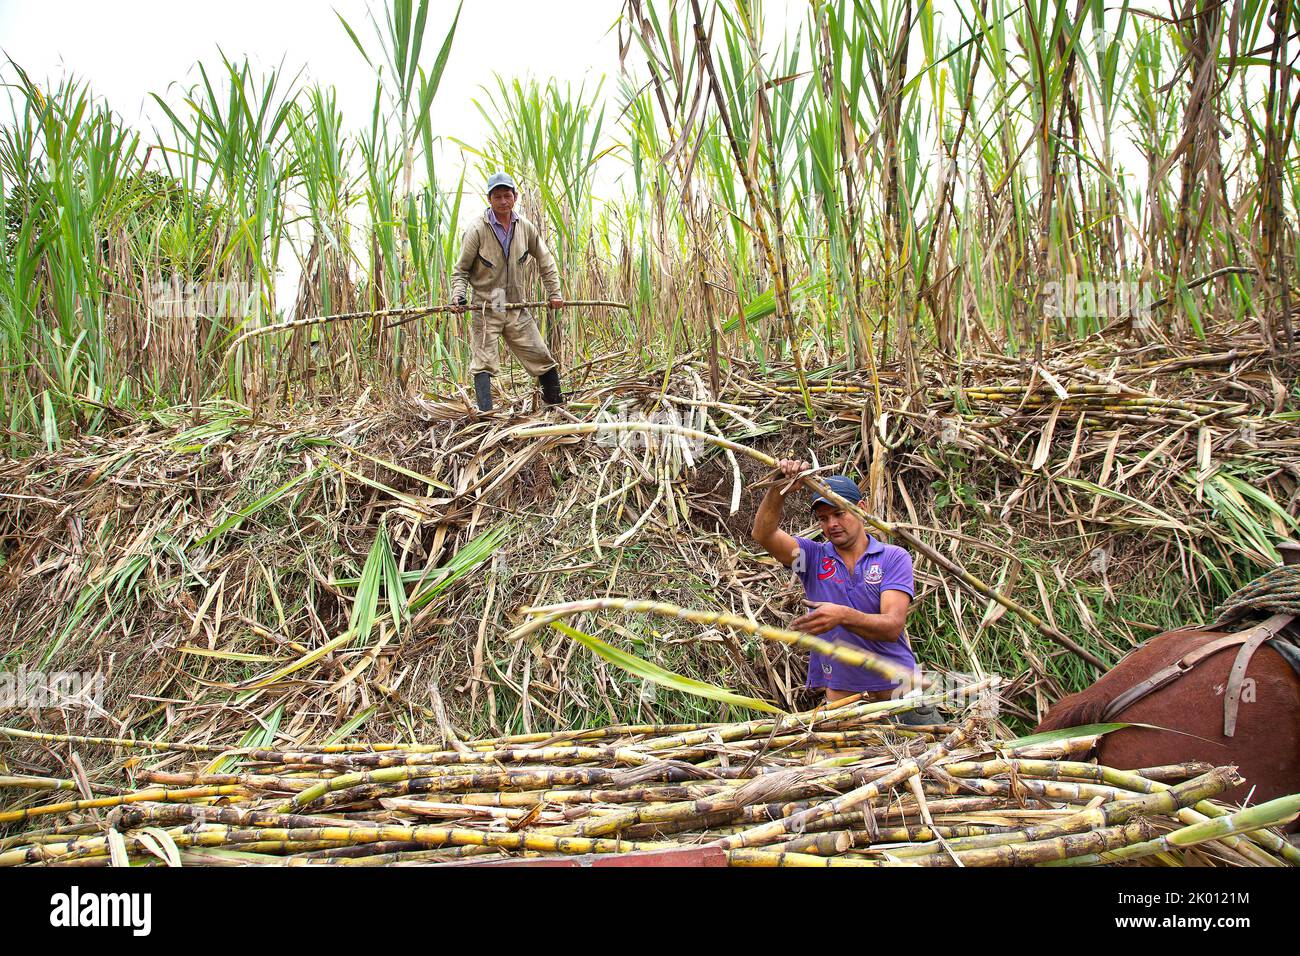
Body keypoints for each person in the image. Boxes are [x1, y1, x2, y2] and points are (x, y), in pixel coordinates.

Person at [751, 460, 937, 722]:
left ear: (861, 509)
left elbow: (892, 626)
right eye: (823, 518)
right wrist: (778, 488)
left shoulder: (891, 558)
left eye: (839, 513)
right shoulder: (810, 560)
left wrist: (842, 616)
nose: (832, 524)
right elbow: (763, 534)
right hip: (844, 702)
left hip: (899, 694)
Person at [450, 171, 565, 412]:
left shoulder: (525, 227)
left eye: (507, 195)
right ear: (489, 199)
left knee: (540, 355)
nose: (503, 201)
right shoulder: (477, 230)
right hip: (487, 305)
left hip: (514, 304)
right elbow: (460, 270)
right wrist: (458, 296)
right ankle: (486, 417)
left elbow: (546, 261)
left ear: (515, 197)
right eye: (497, 196)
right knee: (483, 362)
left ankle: (556, 406)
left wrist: (554, 292)